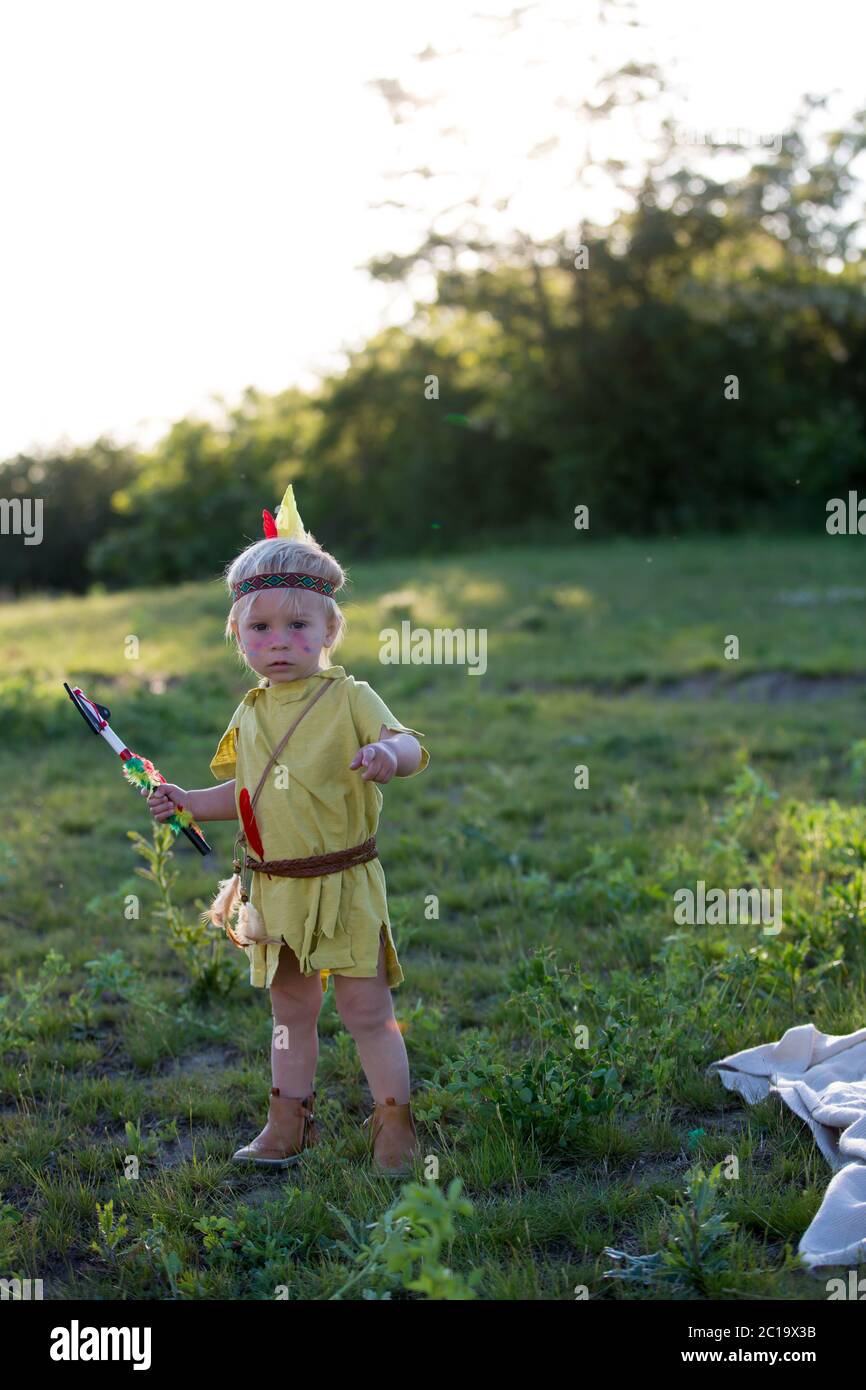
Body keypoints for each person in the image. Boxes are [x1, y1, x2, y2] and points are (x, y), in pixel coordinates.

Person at [144, 484, 430, 1174]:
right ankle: (287, 1124)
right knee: (290, 1012)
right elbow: (241, 795)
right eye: (261, 629)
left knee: (366, 1010)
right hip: (275, 889)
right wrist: (185, 800)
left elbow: (412, 745)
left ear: (328, 631)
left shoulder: (350, 698)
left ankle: (396, 1127)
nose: (280, 642)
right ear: (239, 637)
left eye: (299, 627)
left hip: (342, 882)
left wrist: (386, 756)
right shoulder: (250, 711)